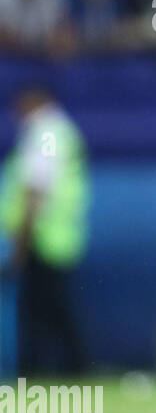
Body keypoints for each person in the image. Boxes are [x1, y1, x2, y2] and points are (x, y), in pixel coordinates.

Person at [0, 88, 89, 375]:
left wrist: (22, 239)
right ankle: (72, 368)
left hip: (41, 236)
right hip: (58, 235)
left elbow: (35, 189)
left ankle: (42, 369)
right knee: (51, 307)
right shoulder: (62, 131)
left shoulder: (44, 132)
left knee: (40, 309)